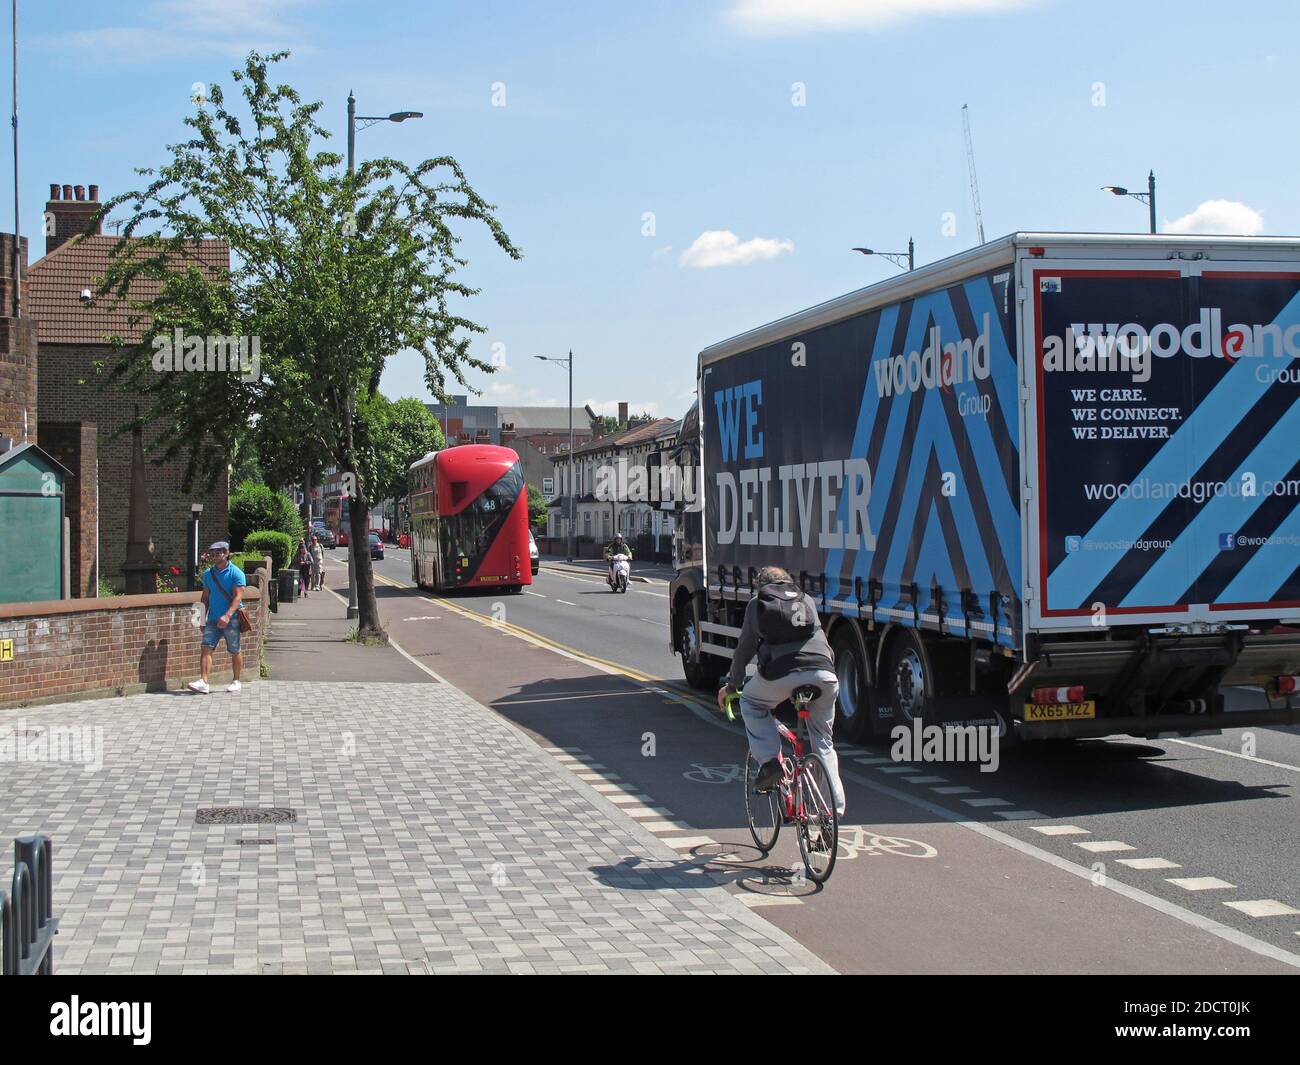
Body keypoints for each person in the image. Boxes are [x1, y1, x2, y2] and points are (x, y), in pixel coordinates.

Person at [717, 565, 845, 816]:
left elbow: (745, 649)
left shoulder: (757, 603)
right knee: (823, 741)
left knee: (752, 703)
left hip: (782, 674)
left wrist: (732, 685)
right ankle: (832, 813)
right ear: (789, 581)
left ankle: (769, 763)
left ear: (761, 586)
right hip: (825, 674)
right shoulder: (806, 599)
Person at [188, 541, 246, 695]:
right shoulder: (208, 574)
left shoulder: (236, 573)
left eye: (218, 553)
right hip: (213, 618)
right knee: (206, 646)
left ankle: (236, 680)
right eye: (212, 553)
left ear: (226, 553)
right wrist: (201, 618)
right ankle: (204, 682)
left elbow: (238, 597)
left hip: (231, 618)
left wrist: (227, 615)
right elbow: (205, 597)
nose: (215, 556)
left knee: (235, 649)